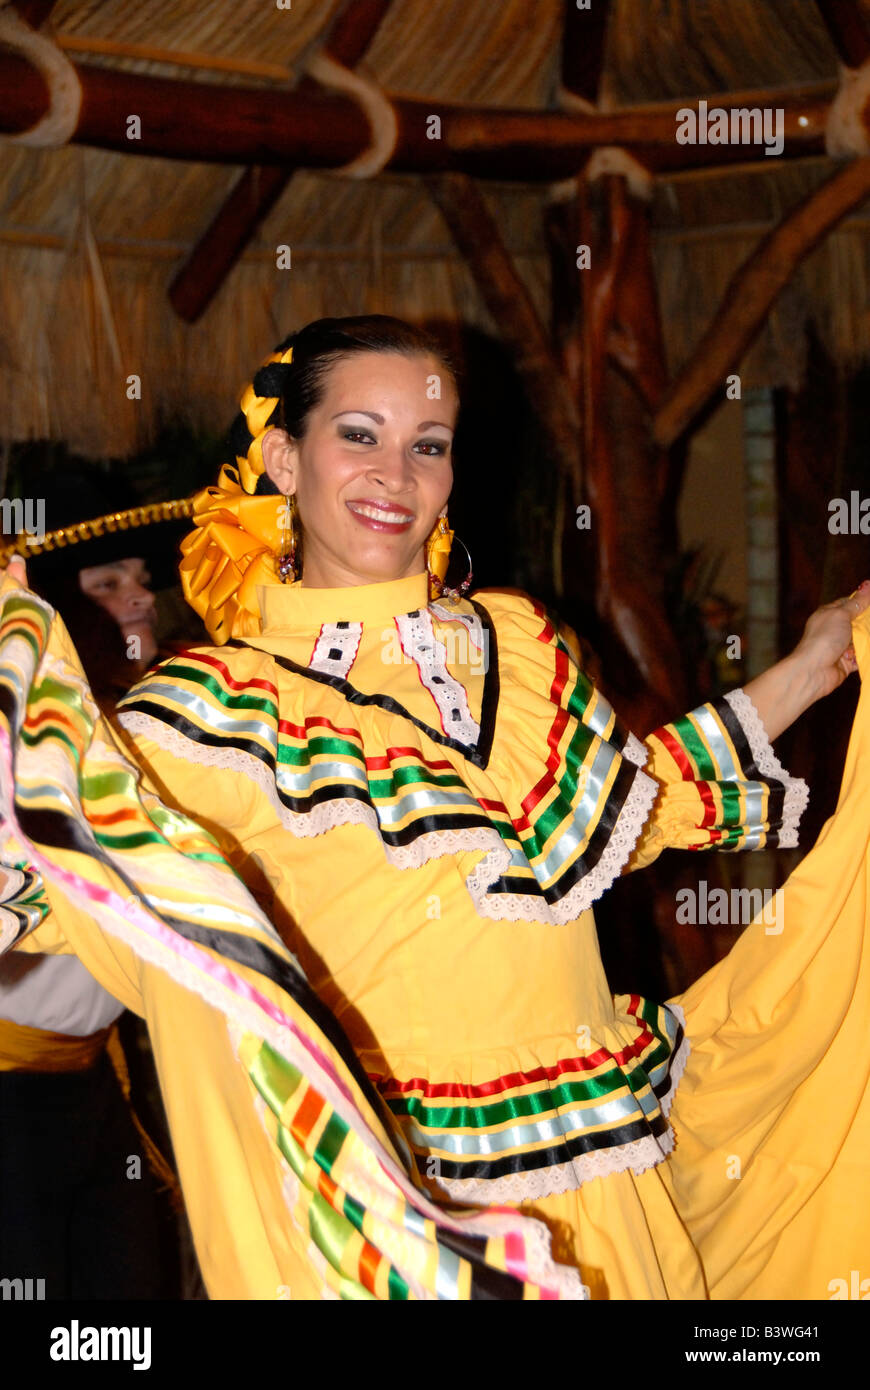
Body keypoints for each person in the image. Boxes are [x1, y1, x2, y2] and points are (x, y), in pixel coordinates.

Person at [0, 314, 868, 1301]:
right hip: (407, 1214)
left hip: (606, 1166)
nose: (395, 474)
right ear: (284, 457)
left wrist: (809, 665)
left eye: (429, 445)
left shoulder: (519, 644)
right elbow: (50, 874)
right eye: (357, 435)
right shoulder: (203, 714)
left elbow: (631, 804)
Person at [0, 473, 185, 1299]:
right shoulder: (20, 738)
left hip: (93, 1086)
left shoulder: (168, 726)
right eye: (107, 584)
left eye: (143, 579)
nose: (139, 600)